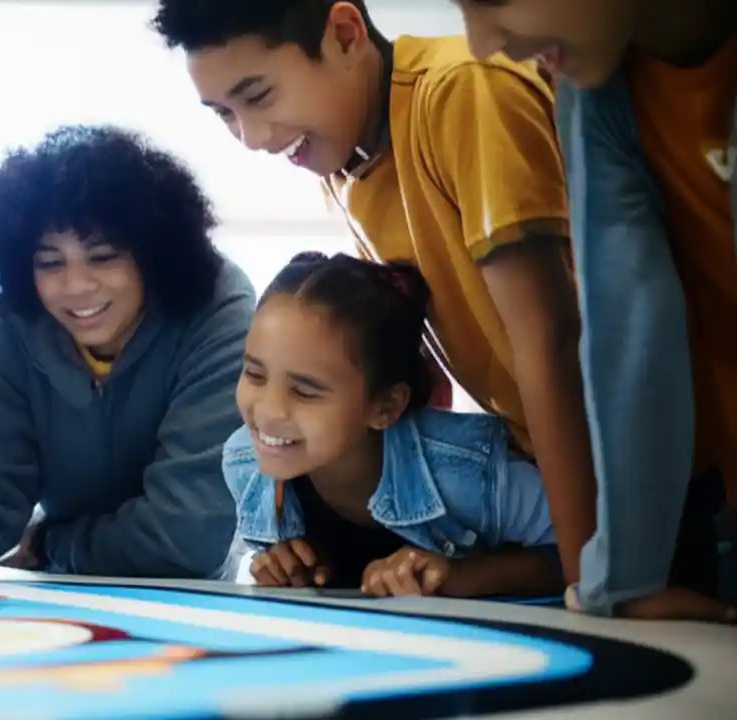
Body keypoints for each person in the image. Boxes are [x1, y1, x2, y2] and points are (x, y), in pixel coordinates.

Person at [151, 0, 596, 594]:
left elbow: (553, 345)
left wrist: (594, 578)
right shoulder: (346, 165)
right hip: (567, 479)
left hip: (648, 479)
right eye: (224, 114)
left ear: (344, 33)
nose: (252, 139)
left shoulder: (462, 91)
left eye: (257, 97)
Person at [454, 0, 737, 623]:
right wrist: (624, 581)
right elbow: (625, 316)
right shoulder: (596, 89)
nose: (479, 43)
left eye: (492, 1)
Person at [0, 125, 254, 578]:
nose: (77, 286)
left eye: (103, 256)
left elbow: (187, 532)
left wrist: (52, 543)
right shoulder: (12, 323)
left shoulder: (217, 308)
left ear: (154, 254)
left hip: (192, 593)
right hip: (63, 592)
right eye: (50, 262)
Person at [227, 252, 561, 598]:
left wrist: (459, 576)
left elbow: (587, 549)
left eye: (304, 391)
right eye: (254, 374)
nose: (268, 412)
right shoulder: (245, 462)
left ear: (386, 406)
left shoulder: (463, 471)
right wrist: (286, 567)